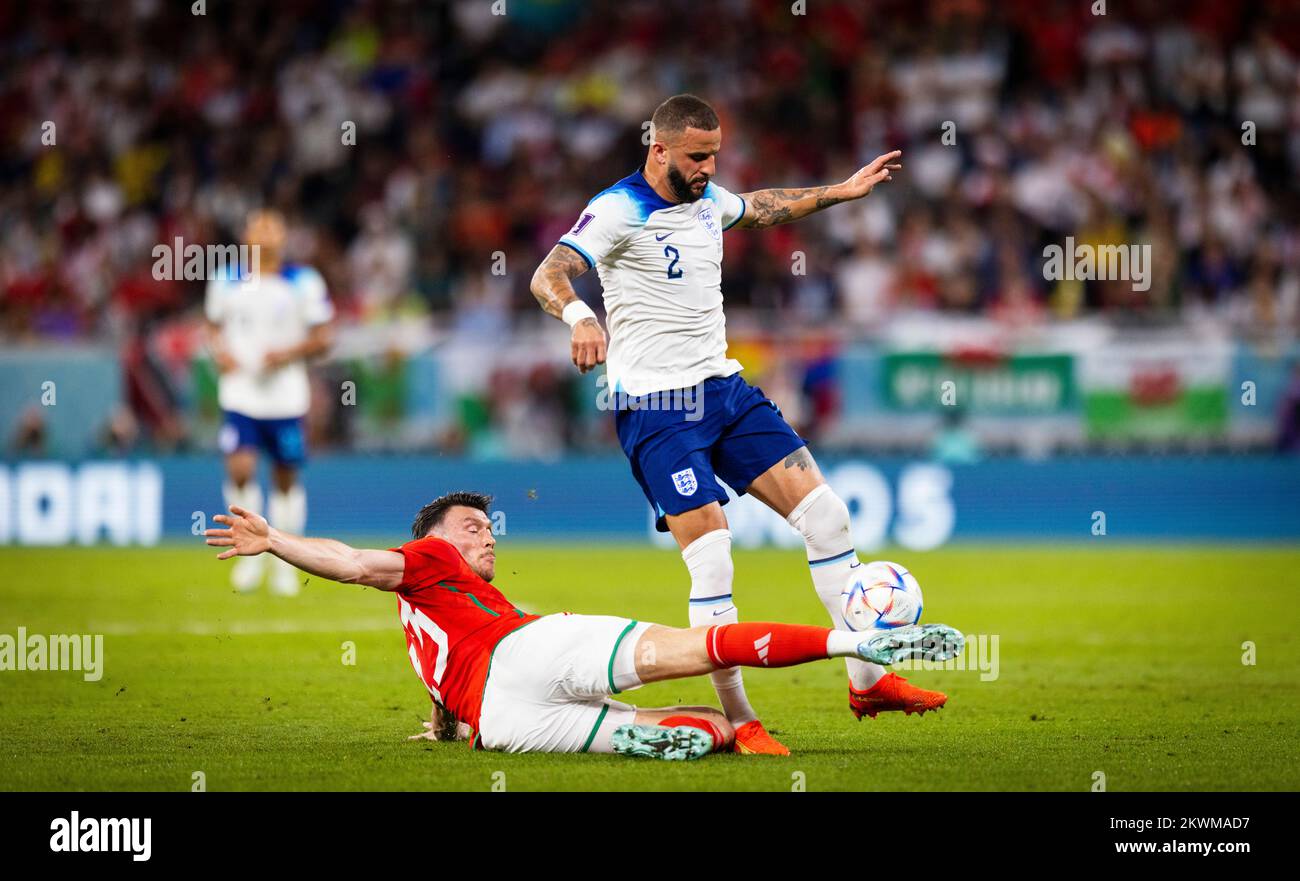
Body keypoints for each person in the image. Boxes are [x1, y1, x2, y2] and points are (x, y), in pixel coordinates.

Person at [529, 94, 942, 753]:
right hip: (659, 411)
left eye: (715, 154)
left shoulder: (706, 199)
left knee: (828, 516)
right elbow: (548, 272)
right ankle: (741, 721)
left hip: (724, 392)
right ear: (658, 149)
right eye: (697, 156)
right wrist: (579, 317)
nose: (709, 167)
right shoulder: (617, 209)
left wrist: (840, 191)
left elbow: (763, 204)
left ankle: (867, 679)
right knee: (714, 558)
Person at [203, 491, 964, 760]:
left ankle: (659, 731)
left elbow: (441, 679)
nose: (485, 536)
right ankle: (854, 642)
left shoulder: (428, 609)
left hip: (499, 721)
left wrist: (439, 729)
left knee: (707, 732)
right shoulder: (430, 556)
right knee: (695, 648)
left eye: (487, 528)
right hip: (527, 649)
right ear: (437, 535)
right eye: (473, 527)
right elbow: (353, 561)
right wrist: (277, 542)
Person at [205, 210, 334, 595]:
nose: (262, 235)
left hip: (285, 397)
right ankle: (251, 560)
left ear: (282, 238)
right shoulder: (226, 279)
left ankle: (286, 562)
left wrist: (287, 353)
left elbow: (324, 337)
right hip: (241, 392)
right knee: (241, 468)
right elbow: (212, 326)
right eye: (255, 227)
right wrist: (219, 352)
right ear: (245, 237)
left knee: (284, 478)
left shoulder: (303, 282)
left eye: (271, 228)